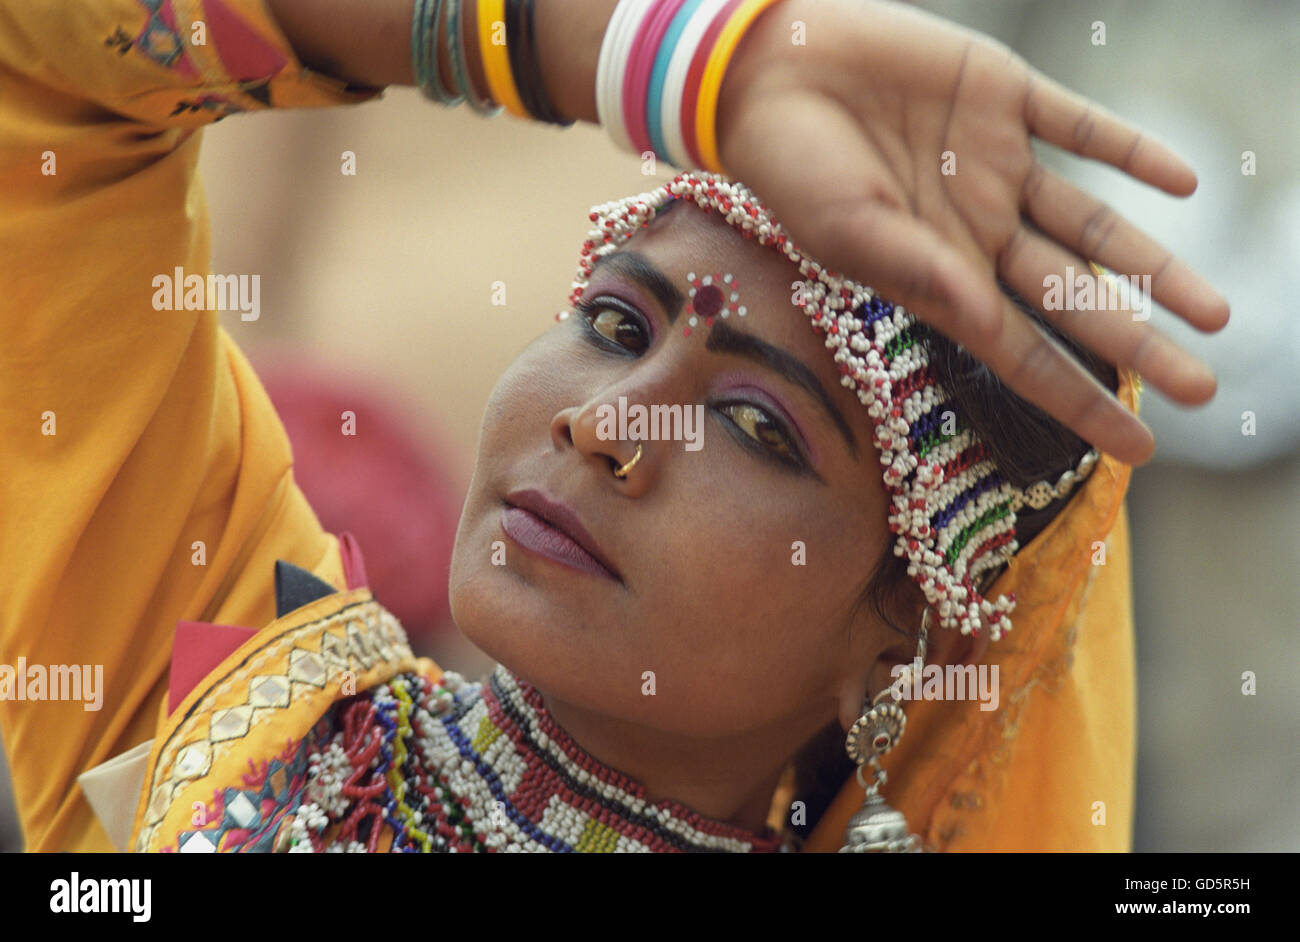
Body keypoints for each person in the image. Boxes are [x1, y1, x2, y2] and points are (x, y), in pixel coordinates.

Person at [0, 0, 1225, 852]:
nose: (605, 426)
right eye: (615, 324)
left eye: (756, 428)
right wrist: (635, 49)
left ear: (904, 644)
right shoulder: (233, 731)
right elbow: (42, 81)